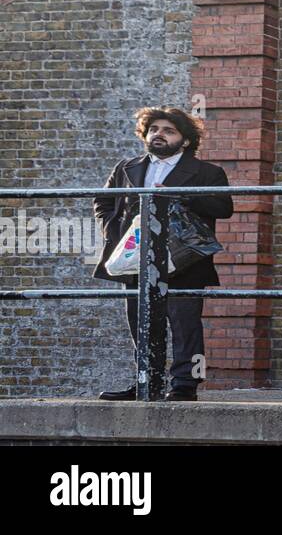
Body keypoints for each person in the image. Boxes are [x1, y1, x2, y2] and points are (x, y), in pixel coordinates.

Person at [92, 106, 233, 402]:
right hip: (135, 260)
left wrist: (178, 195)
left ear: (184, 140)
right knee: (142, 323)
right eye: (154, 129)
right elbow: (103, 202)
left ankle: (184, 386)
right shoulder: (126, 167)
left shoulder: (208, 172)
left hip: (185, 260)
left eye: (169, 130)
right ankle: (147, 382)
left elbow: (224, 208)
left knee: (185, 325)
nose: (159, 134)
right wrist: (115, 235)